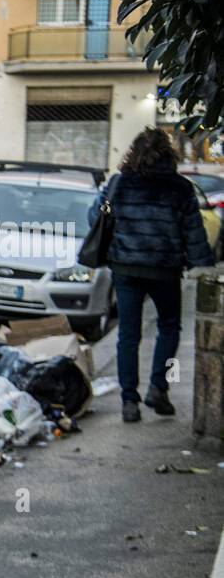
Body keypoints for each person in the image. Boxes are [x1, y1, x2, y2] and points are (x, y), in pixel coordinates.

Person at [88, 128, 215, 422]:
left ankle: (129, 401)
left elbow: (95, 217)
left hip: (126, 268)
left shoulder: (118, 184)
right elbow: (193, 232)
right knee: (169, 328)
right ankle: (159, 387)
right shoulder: (181, 188)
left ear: (133, 153)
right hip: (165, 269)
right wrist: (202, 264)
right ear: (168, 155)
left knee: (128, 335)